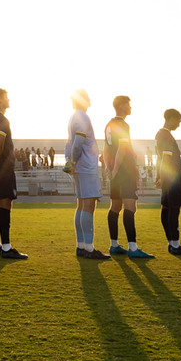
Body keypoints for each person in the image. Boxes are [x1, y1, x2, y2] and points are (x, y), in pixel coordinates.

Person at [104, 96, 152, 258]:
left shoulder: (109, 124)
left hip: (115, 172)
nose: (130, 107)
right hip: (123, 172)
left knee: (115, 207)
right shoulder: (123, 124)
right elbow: (122, 149)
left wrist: (107, 168)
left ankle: (114, 244)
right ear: (122, 106)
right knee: (130, 207)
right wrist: (116, 170)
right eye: (129, 104)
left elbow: (106, 148)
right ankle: (132, 247)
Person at [0, 89, 27, 259]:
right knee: (4, 205)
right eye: (7, 97)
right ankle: (7, 248)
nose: (9, 100)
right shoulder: (2, 119)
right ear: (1, 99)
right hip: (3, 170)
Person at [68, 90, 110, 259]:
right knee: (89, 205)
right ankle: (89, 248)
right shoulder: (83, 117)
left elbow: (69, 143)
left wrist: (70, 161)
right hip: (86, 166)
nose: (90, 99)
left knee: (80, 204)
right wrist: (72, 161)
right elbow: (77, 144)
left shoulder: (73, 117)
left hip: (80, 166)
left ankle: (81, 245)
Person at [155, 108, 181, 256]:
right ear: (171, 118)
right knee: (173, 209)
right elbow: (165, 158)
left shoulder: (160, 134)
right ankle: (175, 244)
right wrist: (162, 176)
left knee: (166, 208)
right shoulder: (165, 135)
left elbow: (160, 159)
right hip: (172, 178)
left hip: (167, 177)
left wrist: (159, 176)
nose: (179, 124)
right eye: (178, 121)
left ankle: (171, 243)